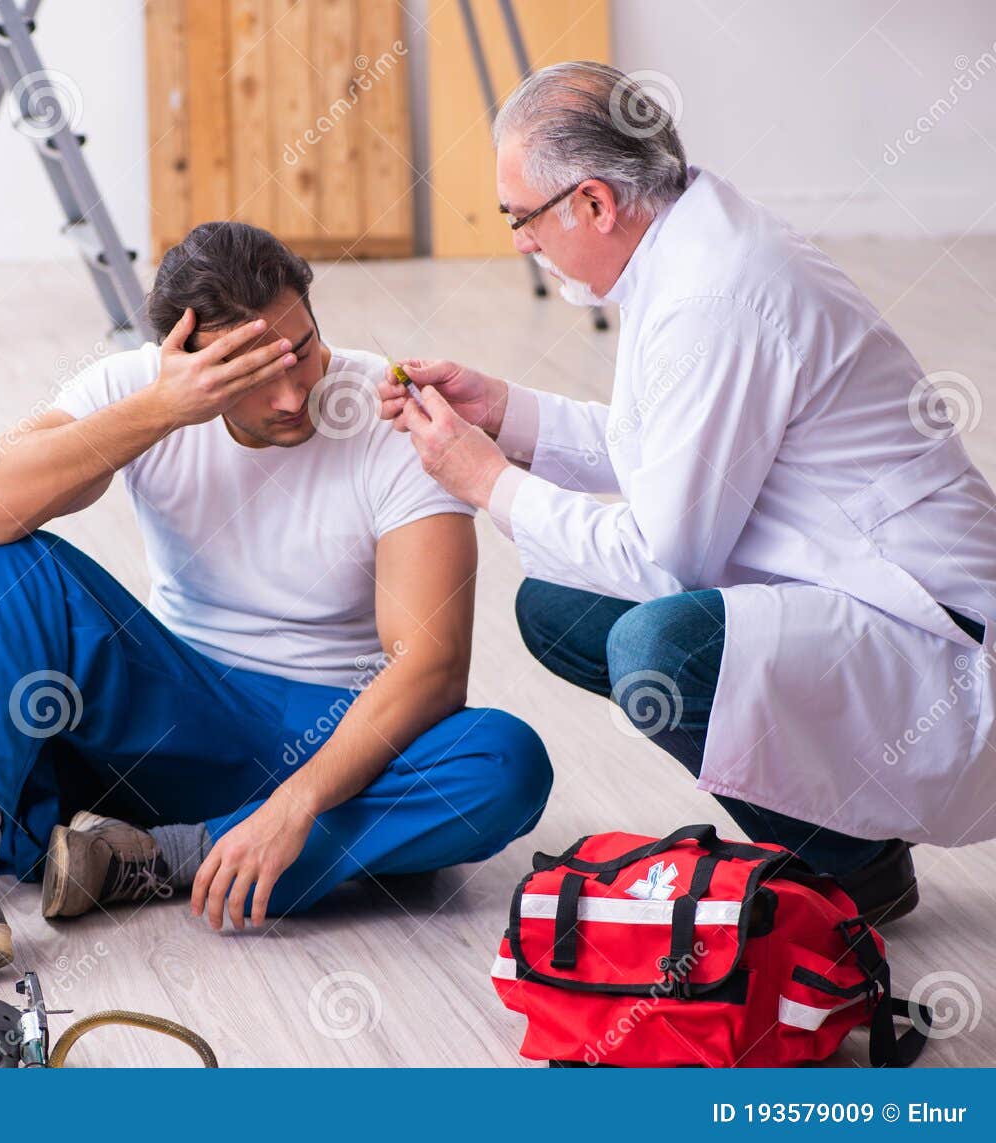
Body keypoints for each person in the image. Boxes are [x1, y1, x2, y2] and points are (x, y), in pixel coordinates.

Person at [0, 222, 553, 973]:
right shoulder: (140, 392)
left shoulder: (390, 414)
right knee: (14, 573)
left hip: (332, 728)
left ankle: (167, 854)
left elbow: (431, 665)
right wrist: (161, 411)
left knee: (502, 762)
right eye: (249, 373)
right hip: (172, 709)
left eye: (300, 351)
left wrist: (293, 808)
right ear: (185, 361)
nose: (292, 394)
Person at [379, 61, 996, 925]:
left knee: (655, 650)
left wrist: (485, 479)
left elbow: (665, 561)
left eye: (520, 217)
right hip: (836, 582)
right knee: (556, 604)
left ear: (594, 203)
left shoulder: (716, 295)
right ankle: (839, 848)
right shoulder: (685, 242)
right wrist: (506, 413)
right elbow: (660, 450)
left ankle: (847, 864)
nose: (520, 240)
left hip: (939, 635)